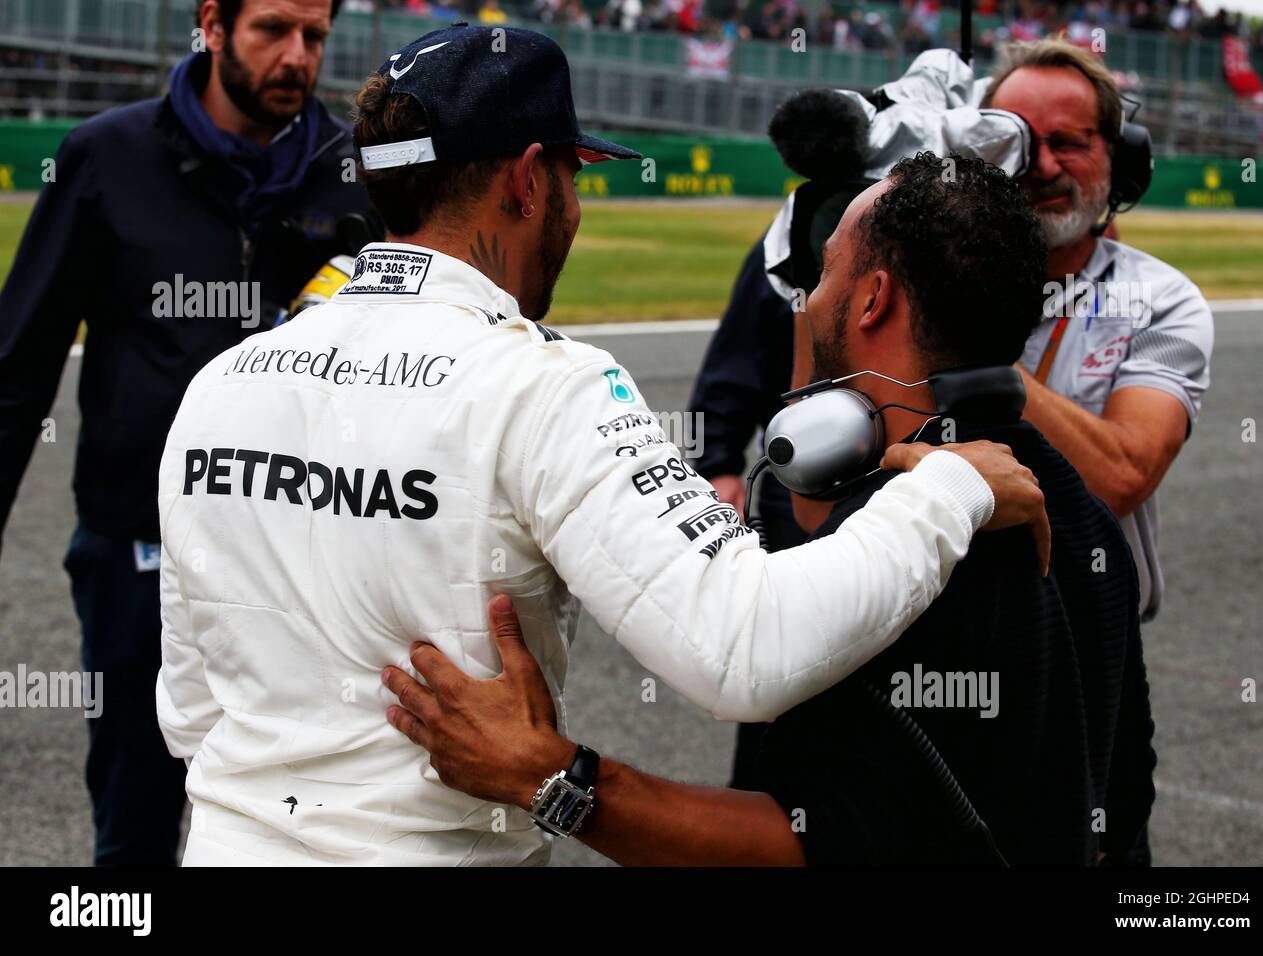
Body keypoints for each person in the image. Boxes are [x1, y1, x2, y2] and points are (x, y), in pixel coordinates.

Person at [156, 25, 1049, 865]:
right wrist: (948, 491)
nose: (574, 209)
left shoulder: (221, 382)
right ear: (528, 177)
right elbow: (747, 647)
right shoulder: (544, 387)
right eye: (576, 179)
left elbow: (190, 710)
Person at [383, 153, 1157, 866]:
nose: (810, 298)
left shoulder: (913, 543)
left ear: (873, 299)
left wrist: (551, 776)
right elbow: (1127, 792)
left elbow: (807, 845)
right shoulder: (1070, 507)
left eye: (823, 275)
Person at [0, 0, 367, 865]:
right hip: (137, 547)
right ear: (210, 23)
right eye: (272, 30)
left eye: (314, 37)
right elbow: (19, 363)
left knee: (304, 819)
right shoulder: (103, 156)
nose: (297, 57)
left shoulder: (353, 169)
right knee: (134, 814)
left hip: (308, 555)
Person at [983, 38, 1214, 625]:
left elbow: (1122, 475)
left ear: (1122, 160)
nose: (1042, 166)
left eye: (1067, 142)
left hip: (1086, 632)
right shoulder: (910, 276)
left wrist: (961, 346)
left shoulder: (1163, 301)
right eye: (1018, 142)